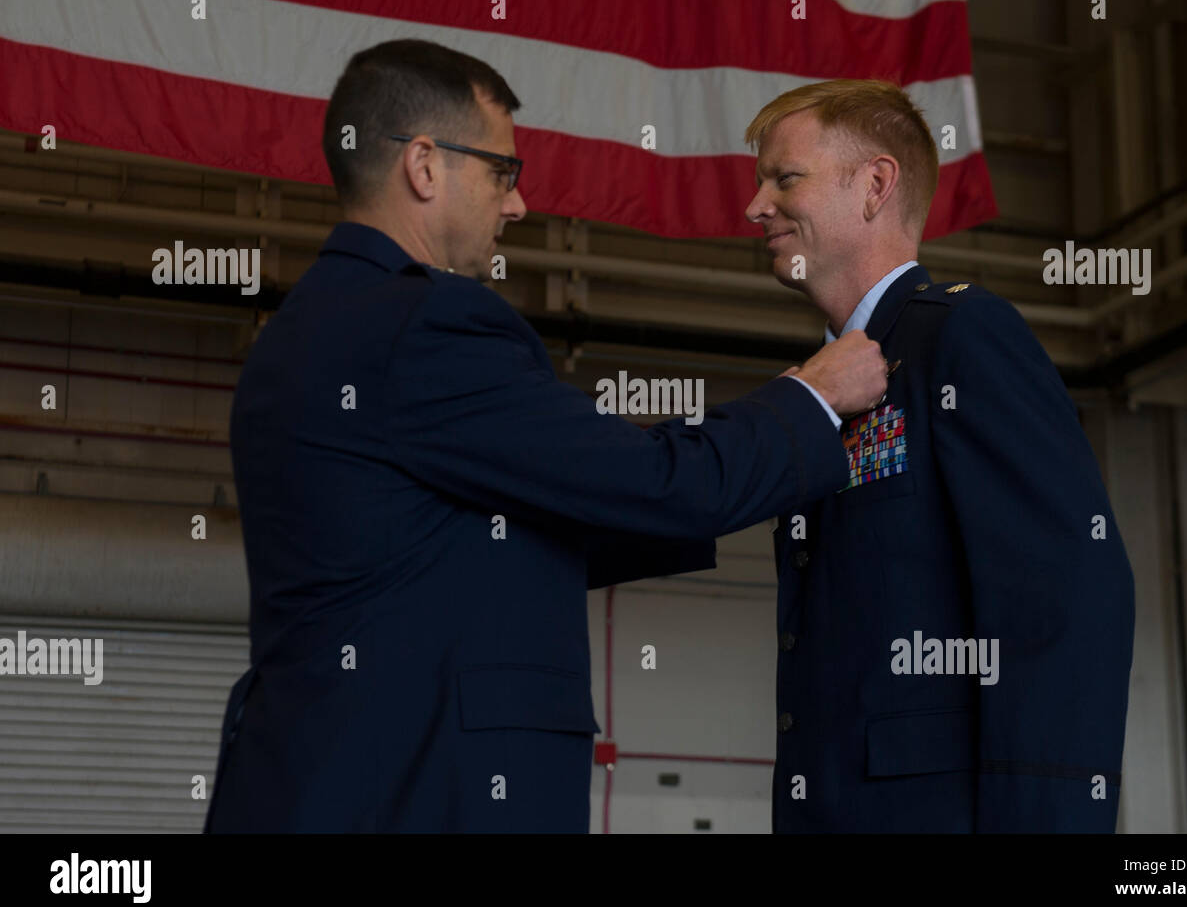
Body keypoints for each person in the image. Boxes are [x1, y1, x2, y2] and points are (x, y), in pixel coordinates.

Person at [204, 41, 887, 832]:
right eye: (503, 172)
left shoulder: (299, 334)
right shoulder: (424, 324)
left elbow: (480, 541)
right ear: (425, 167)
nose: (518, 205)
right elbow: (653, 483)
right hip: (417, 797)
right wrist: (810, 399)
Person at [745, 79, 1136, 832]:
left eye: (784, 178)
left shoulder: (963, 337)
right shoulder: (818, 388)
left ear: (875, 185)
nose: (756, 206)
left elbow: (1066, 601)